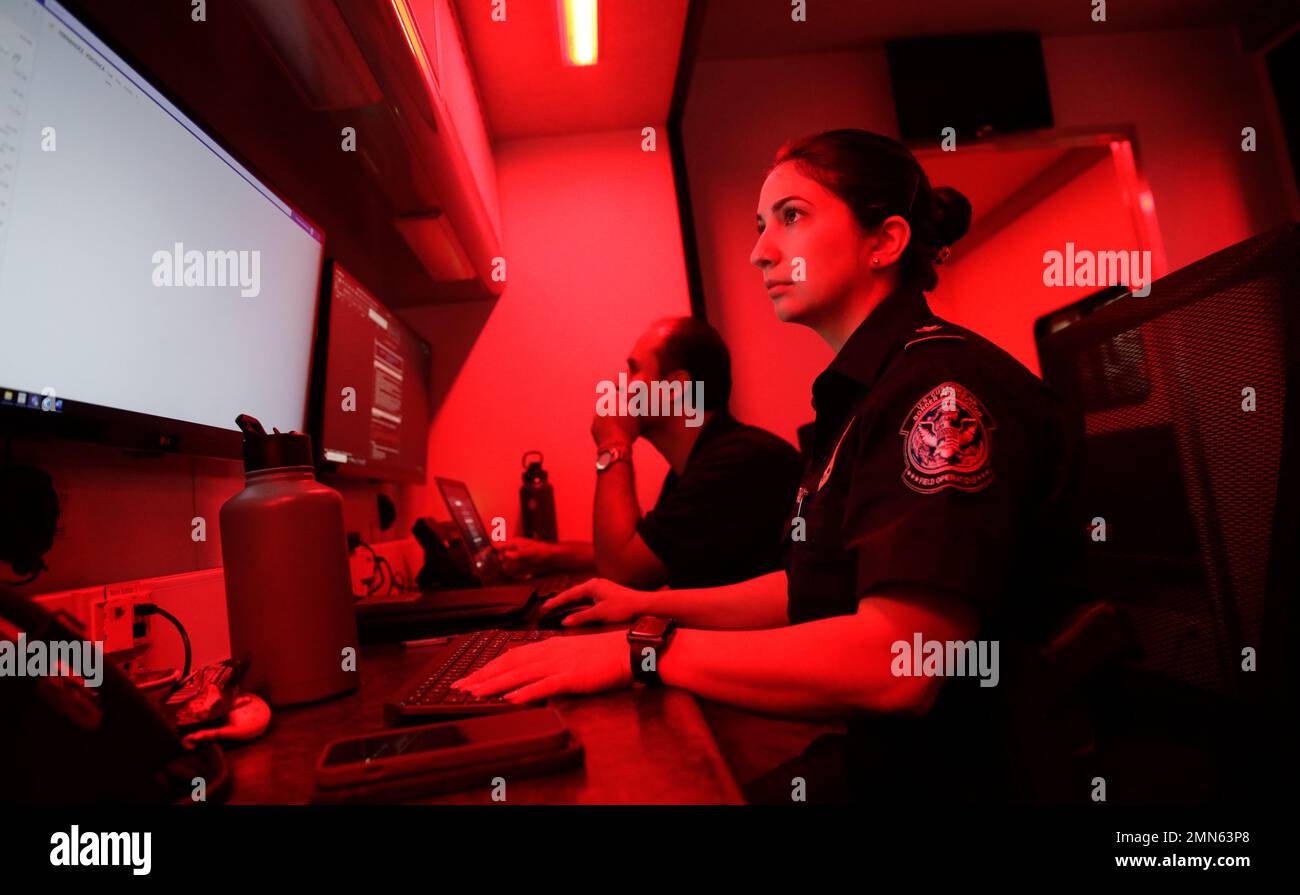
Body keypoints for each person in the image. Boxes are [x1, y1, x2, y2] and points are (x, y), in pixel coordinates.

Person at [455, 130, 1081, 802]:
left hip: (956, 779)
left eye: (792, 216)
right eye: (761, 225)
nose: (759, 251)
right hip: (883, 755)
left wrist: (643, 651)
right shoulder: (868, 392)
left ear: (885, 242)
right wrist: (647, 608)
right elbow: (805, 588)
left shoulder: (939, 390)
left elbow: (902, 664)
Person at [495, 317, 803, 590]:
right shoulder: (705, 462)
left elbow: (623, 572)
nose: (621, 386)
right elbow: (652, 551)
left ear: (675, 388)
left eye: (634, 370)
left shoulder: (737, 465)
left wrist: (613, 443)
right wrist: (552, 557)